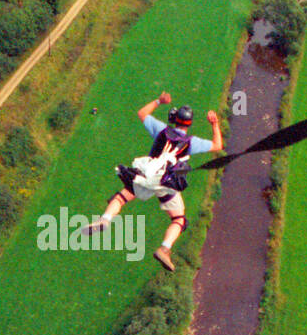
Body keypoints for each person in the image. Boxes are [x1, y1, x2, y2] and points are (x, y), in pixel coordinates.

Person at [84, 91, 222, 271]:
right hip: (166, 184)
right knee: (179, 219)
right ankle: (165, 249)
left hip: (147, 175)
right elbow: (217, 146)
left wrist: (159, 101)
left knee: (121, 197)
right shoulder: (192, 142)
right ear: (189, 124)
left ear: (174, 118)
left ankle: (105, 219)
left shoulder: (161, 130)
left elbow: (142, 113)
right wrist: (215, 124)